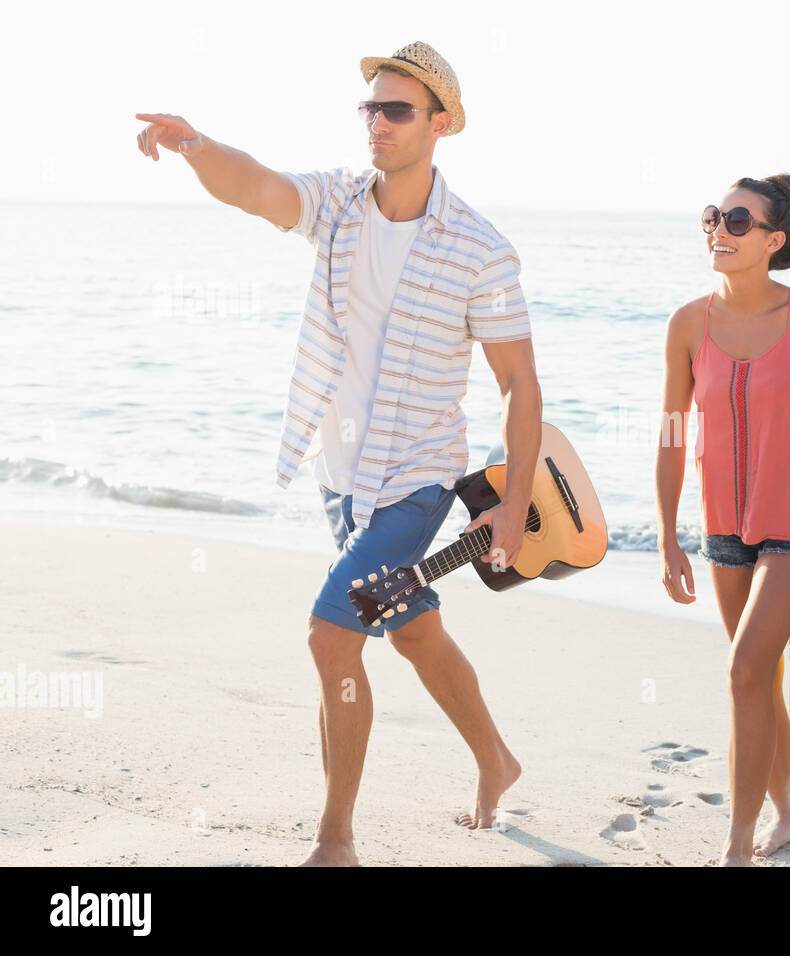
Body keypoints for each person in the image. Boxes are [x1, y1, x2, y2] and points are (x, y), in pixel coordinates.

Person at [134, 41, 542, 866]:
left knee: (331, 638)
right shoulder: (339, 204)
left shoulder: (481, 249)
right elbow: (258, 187)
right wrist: (196, 147)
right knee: (413, 633)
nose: (377, 123)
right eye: (370, 108)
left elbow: (520, 387)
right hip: (341, 480)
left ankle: (336, 840)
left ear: (442, 124)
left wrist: (514, 495)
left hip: (417, 478)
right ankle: (497, 761)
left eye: (396, 109)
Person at [657, 175, 790, 866]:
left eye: (738, 220)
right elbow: (672, 435)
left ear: (775, 240)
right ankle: (783, 816)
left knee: (744, 669)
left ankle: (738, 847)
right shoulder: (688, 323)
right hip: (724, 528)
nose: (720, 229)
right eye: (715, 216)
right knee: (759, 677)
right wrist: (666, 537)